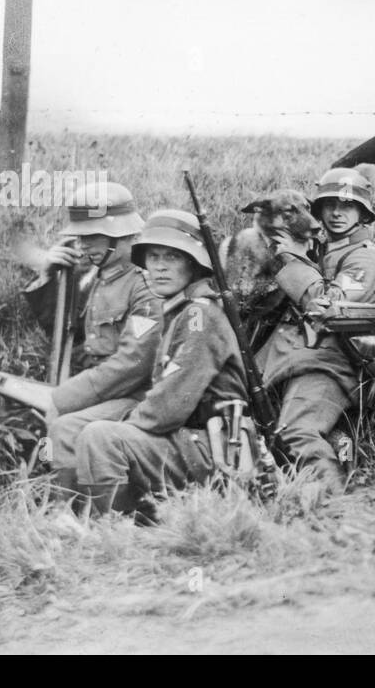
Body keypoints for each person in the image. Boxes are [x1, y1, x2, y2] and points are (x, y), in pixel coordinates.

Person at [72, 209, 247, 519]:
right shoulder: (181, 310)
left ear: (193, 265)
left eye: (173, 257)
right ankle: (132, 521)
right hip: (192, 441)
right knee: (102, 434)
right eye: (154, 257)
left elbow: (169, 406)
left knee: (100, 437)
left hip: (213, 447)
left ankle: (110, 530)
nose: (161, 267)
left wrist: (123, 429)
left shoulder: (198, 315)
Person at [255, 167, 375, 496]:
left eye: (347, 206)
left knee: (296, 431)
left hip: (328, 360)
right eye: (329, 205)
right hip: (284, 355)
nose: (337, 213)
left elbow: (326, 305)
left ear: (362, 212)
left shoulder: (364, 259)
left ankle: (335, 501)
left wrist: (290, 259)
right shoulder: (320, 249)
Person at [22, 182, 161, 495]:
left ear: (120, 233)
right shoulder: (93, 278)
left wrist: (66, 396)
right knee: (44, 421)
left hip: (136, 393)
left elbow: (134, 363)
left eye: (91, 236)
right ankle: (57, 496)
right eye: (80, 236)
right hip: (101, 386)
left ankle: (69, 509)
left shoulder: (144, 287)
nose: (83, 245)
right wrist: (49, 276)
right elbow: (61, 329)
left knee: (65, 426)